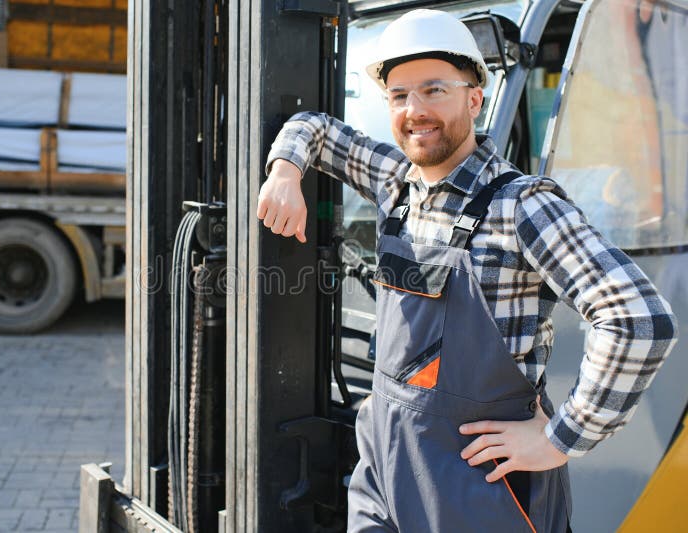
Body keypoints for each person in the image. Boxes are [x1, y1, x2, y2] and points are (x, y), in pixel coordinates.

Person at [256, 8, 678, 533]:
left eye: (434, 90)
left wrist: (560, 437)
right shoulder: (397, 182)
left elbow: (639, 320)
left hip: (479, 489)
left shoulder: (521, 206)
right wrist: (285, 171)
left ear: (474, 99)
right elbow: (312, 127)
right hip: (385, 470)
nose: (415, 110)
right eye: (399, 95)